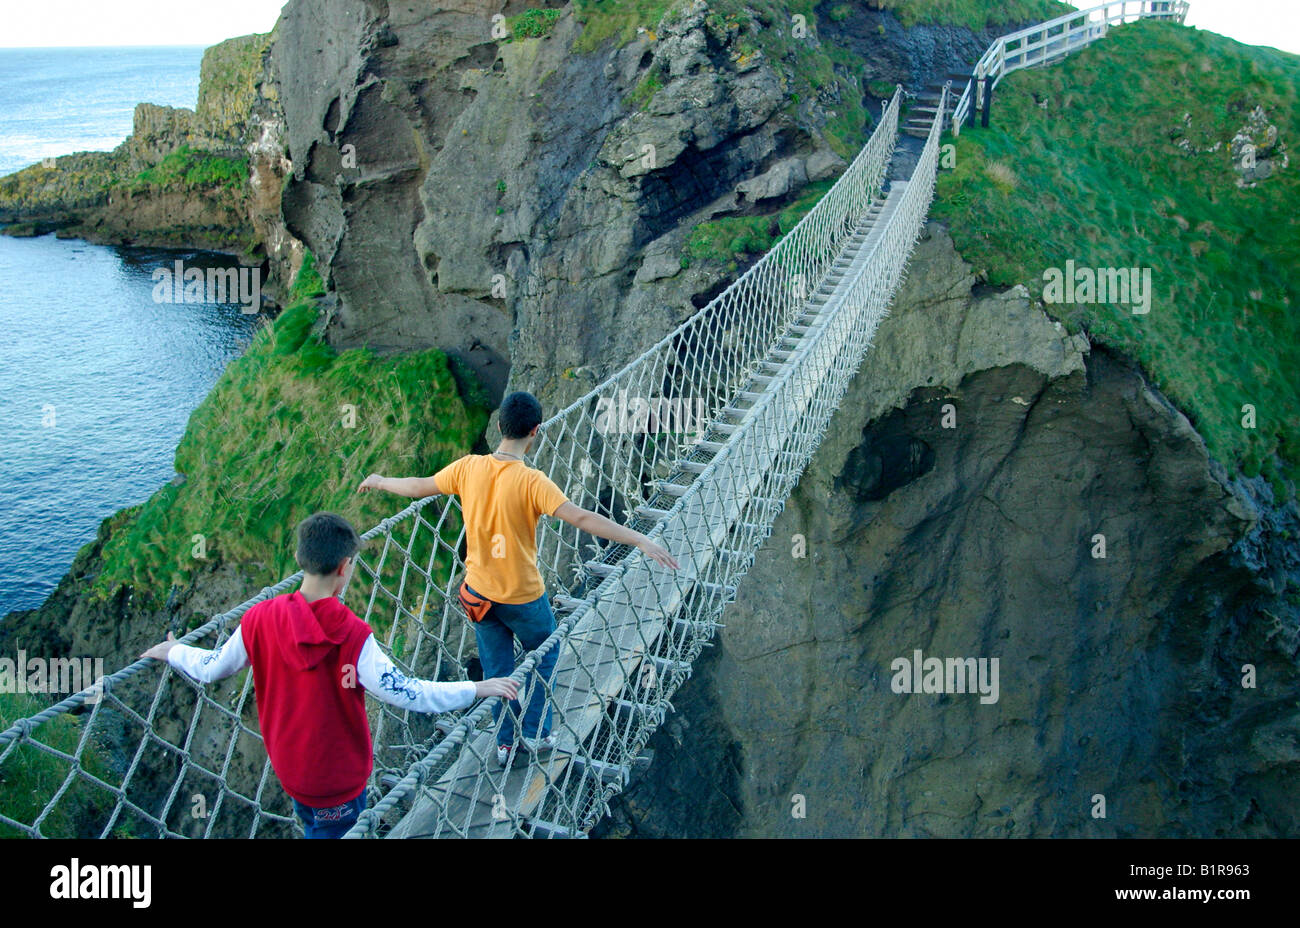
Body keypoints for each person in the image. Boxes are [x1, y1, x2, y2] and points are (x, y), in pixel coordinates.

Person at [141, 511, 518, 838]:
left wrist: (174, 651)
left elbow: (212, 668)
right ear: (344, 567)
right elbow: (407, 692)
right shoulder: (352, 635)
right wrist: (477, 688)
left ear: (299, 558)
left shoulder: (258, 619)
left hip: (292, 772)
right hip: (339, 782)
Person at [358, 390, 678, 767]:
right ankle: (536, 732)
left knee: (498, 672)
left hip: (478, 594)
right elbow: (582, 518)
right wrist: (639, 538)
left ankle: (506, 744)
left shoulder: (468, 468)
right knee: (545, 652)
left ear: (499, 426)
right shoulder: (532, 481)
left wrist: (380, 480)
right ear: (536, 431)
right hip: (522, 597)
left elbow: (416, 487)